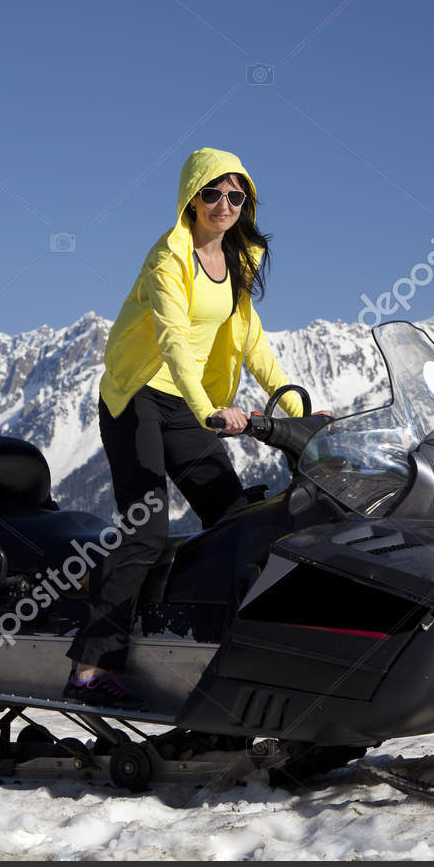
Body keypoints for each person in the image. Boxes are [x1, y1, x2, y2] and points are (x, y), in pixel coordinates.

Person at [64, 147, 324, 708]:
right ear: (191, 198)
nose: (224, 205)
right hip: (137, 396)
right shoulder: (169, 257)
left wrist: (298, 410)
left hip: (187, 403)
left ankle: (218, 647)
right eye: (212, 194)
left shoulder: (239, 259)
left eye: (235, 196)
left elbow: (252, 341)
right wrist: (210, 409)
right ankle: (88, 671)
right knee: (145, 529)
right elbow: (173, 340)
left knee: (234, 519)